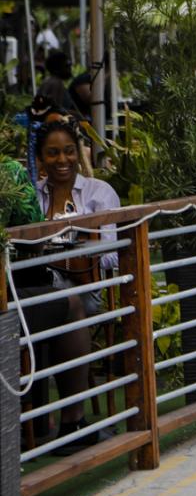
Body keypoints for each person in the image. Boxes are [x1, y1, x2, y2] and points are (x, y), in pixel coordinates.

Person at [29, 118, 121, 453]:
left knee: (71, 304)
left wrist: (77, 250)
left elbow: (112, 254)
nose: (62, 160)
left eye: (68, 151)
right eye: (52, 153)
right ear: (41, 158)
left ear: (78, 153)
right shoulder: (30, 194)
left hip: (84, 286)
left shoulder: (99, 192)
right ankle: (38, 420)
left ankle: (73, 419)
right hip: (38, 285)